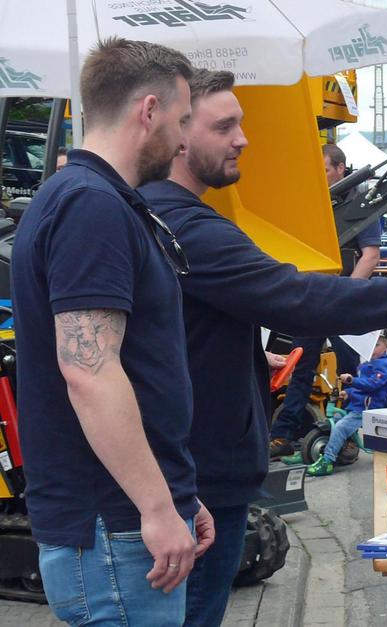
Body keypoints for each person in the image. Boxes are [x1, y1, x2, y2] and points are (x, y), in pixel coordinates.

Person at [139, 69, 387, 625]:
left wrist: (244, 355)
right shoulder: (186, 225)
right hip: (200, 481)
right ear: (177, 133)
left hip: (196, 473)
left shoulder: (160, 215)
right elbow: (293, 296)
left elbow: (176, 328)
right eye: (227, 126)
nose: (243, 138)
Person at [10, 38, 213, 625]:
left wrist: (177, 494)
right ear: (147, 111)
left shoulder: (95, 200)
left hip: (123, 525)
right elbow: (89, 372)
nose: (181, 142)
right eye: (180, 122)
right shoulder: (89, 207)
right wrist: (154, 507)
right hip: (115, 533)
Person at [269, 143, 386, 458]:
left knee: (349, 369)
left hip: (343, 299)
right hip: (315, 295)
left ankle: (345, 436)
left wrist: (345, 296)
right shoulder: (312, 206)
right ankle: (282, 435)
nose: (319, 178)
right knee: (301, 363)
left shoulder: (361, 205)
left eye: (323, 171)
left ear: (340, 169)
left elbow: (370, 256)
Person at [308, 330, 387, 476]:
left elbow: (373, 384)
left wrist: (351, 380)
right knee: (337, 418)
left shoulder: (383, 364)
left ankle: (327, 460)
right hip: (360, 404)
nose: (372, 349)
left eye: (377, 345)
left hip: (369, 408)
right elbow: (362, 390)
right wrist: (348, 393)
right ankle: (343, 448)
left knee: (341, 427)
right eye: (370, 345)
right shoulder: (368, 363)